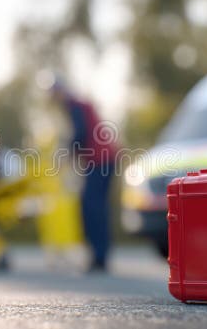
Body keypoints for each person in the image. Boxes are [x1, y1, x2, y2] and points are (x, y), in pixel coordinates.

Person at [49, 77, 117, 273]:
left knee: (91, 206)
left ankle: (99, 256)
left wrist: (66, 157)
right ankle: (99, 255)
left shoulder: (75, 105)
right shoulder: (78, 104)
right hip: (101, 159)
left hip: (99, 160)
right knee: (96, 206)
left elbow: (80, 134)